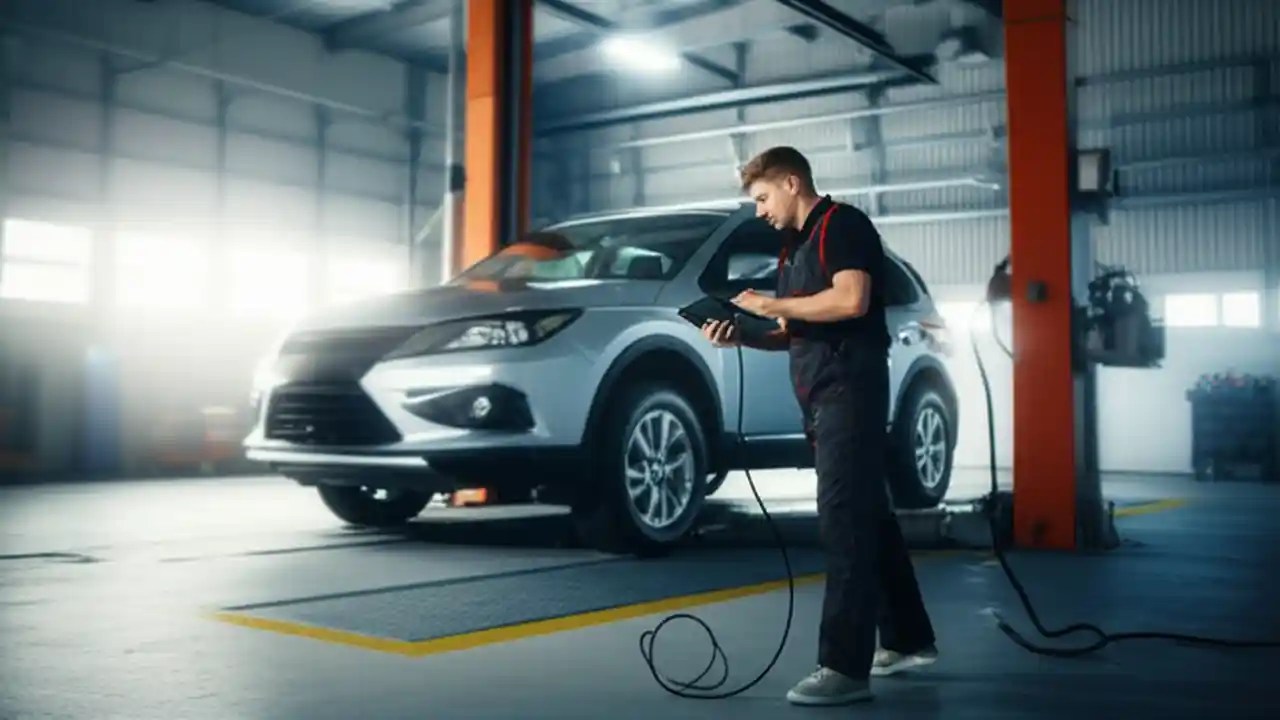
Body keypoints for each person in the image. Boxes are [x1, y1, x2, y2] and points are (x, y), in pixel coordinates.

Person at [700, 146, 938, 706]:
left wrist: (769, 303)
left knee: (843, 524)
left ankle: (843, 667)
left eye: (762, 198)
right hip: (821, 400)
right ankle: (907, 639)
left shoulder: (843, 224)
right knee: (869, 518)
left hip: (849, 394)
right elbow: (796, 327)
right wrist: (746, 334)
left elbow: (852, 300)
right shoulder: (795, 249)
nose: (758, 210)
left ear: (790, 182)